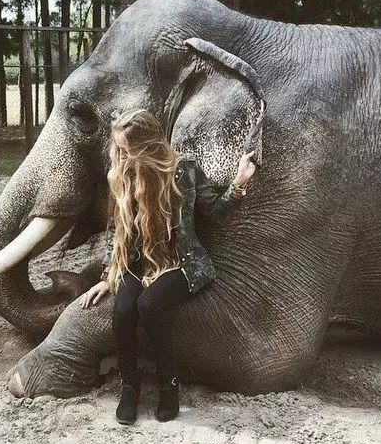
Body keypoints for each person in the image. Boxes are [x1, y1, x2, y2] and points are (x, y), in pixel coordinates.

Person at [79, 109, 257, 425]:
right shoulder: (122, 174)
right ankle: (129, 388)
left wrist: (239, 183)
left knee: (149, 305)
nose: (119, 154)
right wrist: (108, 277)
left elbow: (214, 209)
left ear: (148, 146)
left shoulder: (183, 171)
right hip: (137, 262)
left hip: (180, 263)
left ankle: (168, 386)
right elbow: (119, 232)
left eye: (125, 148)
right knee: (122, 311)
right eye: (117, 147)